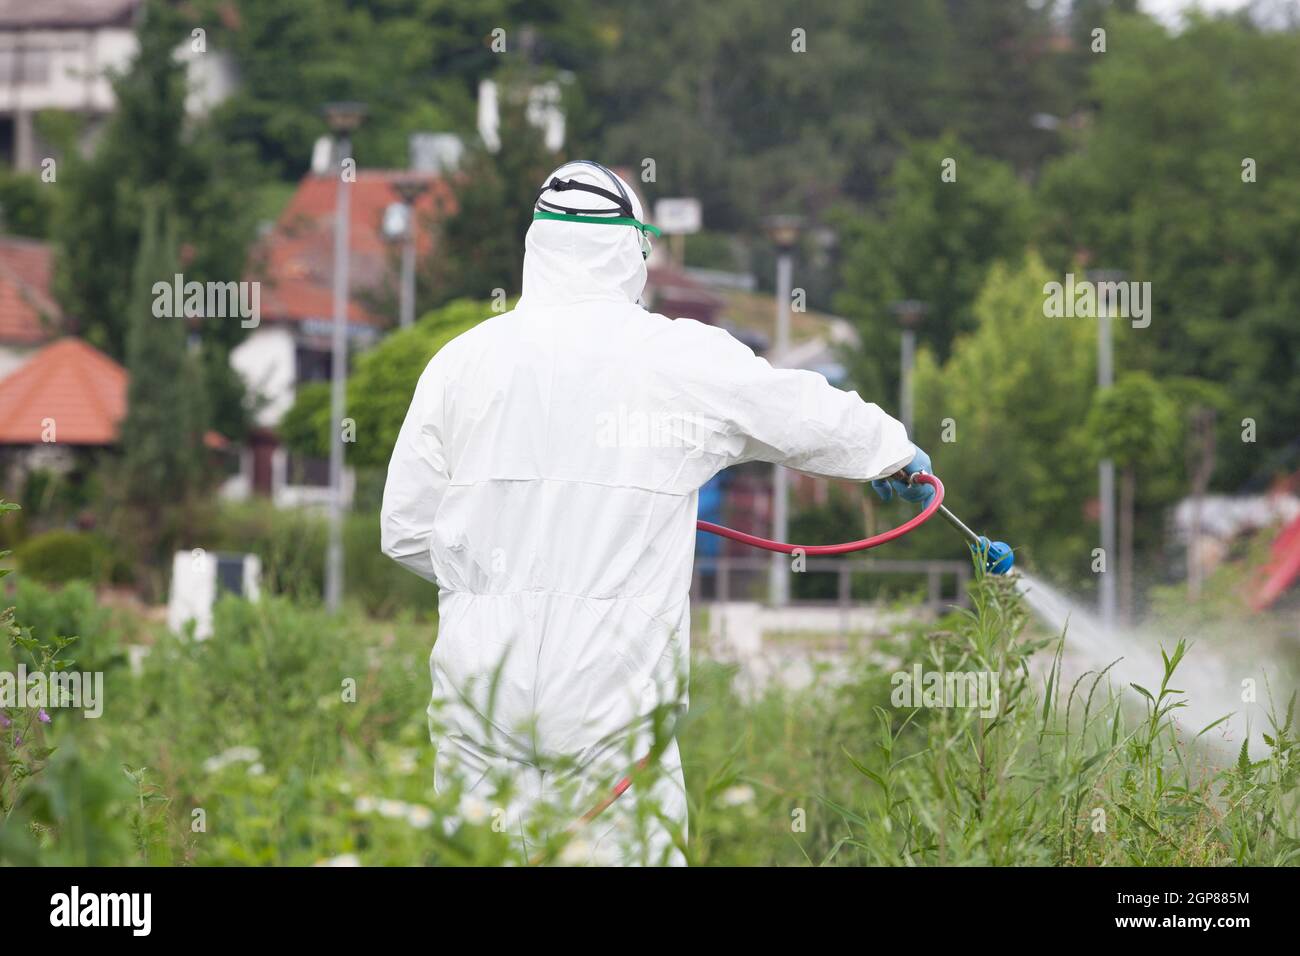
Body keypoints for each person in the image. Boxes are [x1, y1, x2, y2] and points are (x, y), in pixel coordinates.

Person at [380, 160, 932, 865]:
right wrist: (892, 454)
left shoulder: (459, 364)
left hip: (481, 696)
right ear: (629, 252)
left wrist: (498, 567)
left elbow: (404, 530)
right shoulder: (675, 358)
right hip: (610, 705)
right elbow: (800, 410)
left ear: (536, 249)